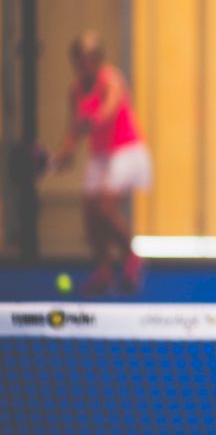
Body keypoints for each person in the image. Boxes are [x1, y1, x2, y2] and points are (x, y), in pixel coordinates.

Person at [54, 31, 151, 296]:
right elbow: (73, 128)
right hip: (100, 155)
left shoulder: (111, 78)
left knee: (106, 209)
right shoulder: (75, 89)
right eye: (81, 58)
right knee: (89, 214)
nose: (86, 63)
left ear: (98, 59)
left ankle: (132, 257)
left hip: (126, 151)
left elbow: (110, 105)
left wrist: (94, 120)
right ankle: (105, 268)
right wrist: (65, 153)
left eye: (91, 58)